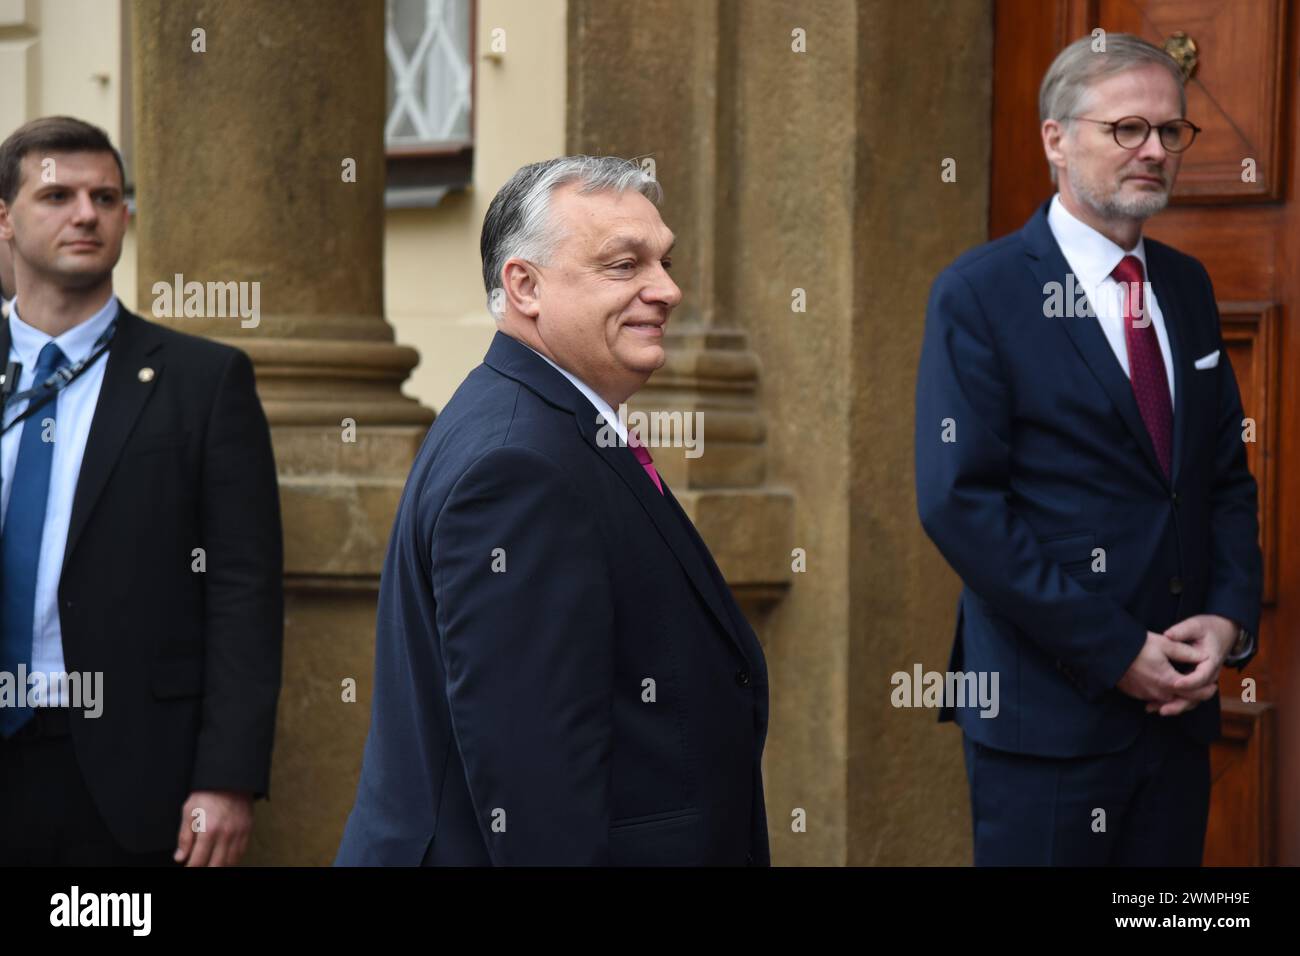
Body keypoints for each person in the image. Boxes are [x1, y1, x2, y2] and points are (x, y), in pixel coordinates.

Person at [336, 156, 770, 866]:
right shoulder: (518, 468)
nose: (666, 289)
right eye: (625, 265)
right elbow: (532, 787)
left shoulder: (546, 421)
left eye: (664, 261)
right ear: (525, 286)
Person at [915, 35, 1261, 866]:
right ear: (1055, 138)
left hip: (1179, 710)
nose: (1155, 151)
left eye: (1172, 133)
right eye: (1128, 128)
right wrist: (1116, 653)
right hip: (1049, 721)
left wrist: (1228, 619)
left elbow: (1221, 477)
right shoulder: (980, 292)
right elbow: (959, 503)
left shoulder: (1186, 286)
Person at [0, 116, 283, 866]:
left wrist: (228, 779)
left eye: (107, 196)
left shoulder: (203, 382)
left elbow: (242, 590)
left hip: (127, 776)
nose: (86, 213)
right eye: (57, 194)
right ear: (5, 218)